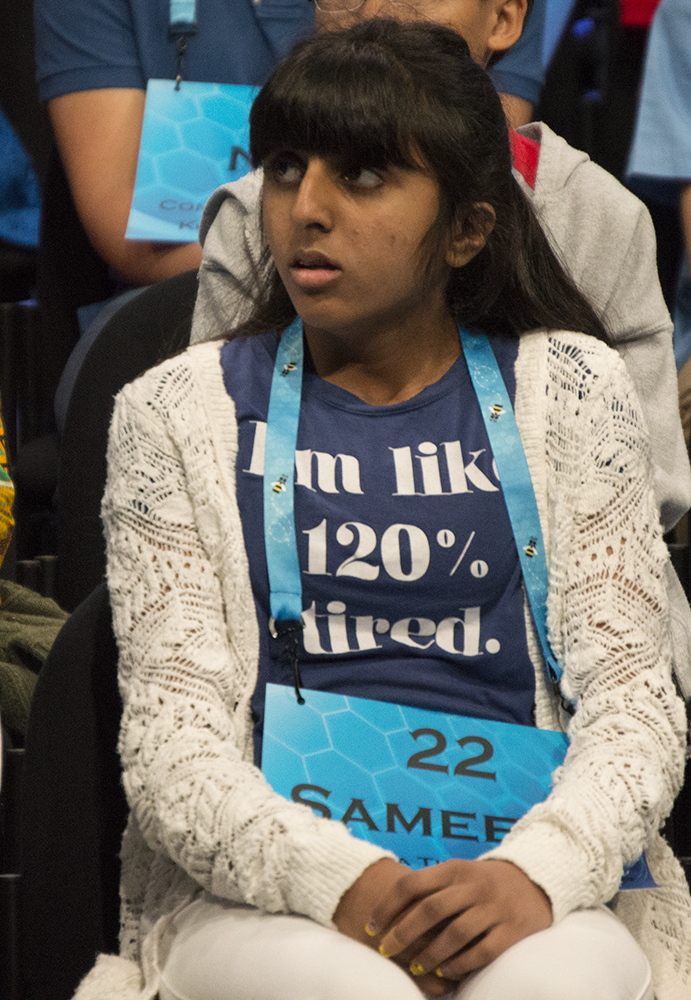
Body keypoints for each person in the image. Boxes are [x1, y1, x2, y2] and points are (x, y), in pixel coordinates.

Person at [85, 19, 691, 1000]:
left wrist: (536, 873)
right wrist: (344, 881)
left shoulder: (573, 390)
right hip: (267, 892)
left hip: (532, 874)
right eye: (285, 168)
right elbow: (171, 746)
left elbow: (633, 698)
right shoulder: (174, 410)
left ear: (466, 227)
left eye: (362, 175)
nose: (305, 209)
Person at [191, 0, 691, 551]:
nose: (378, 11)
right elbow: (214, 477)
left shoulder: (597, 217)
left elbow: (645, 490)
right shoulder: (257, 215)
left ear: (503, 18)